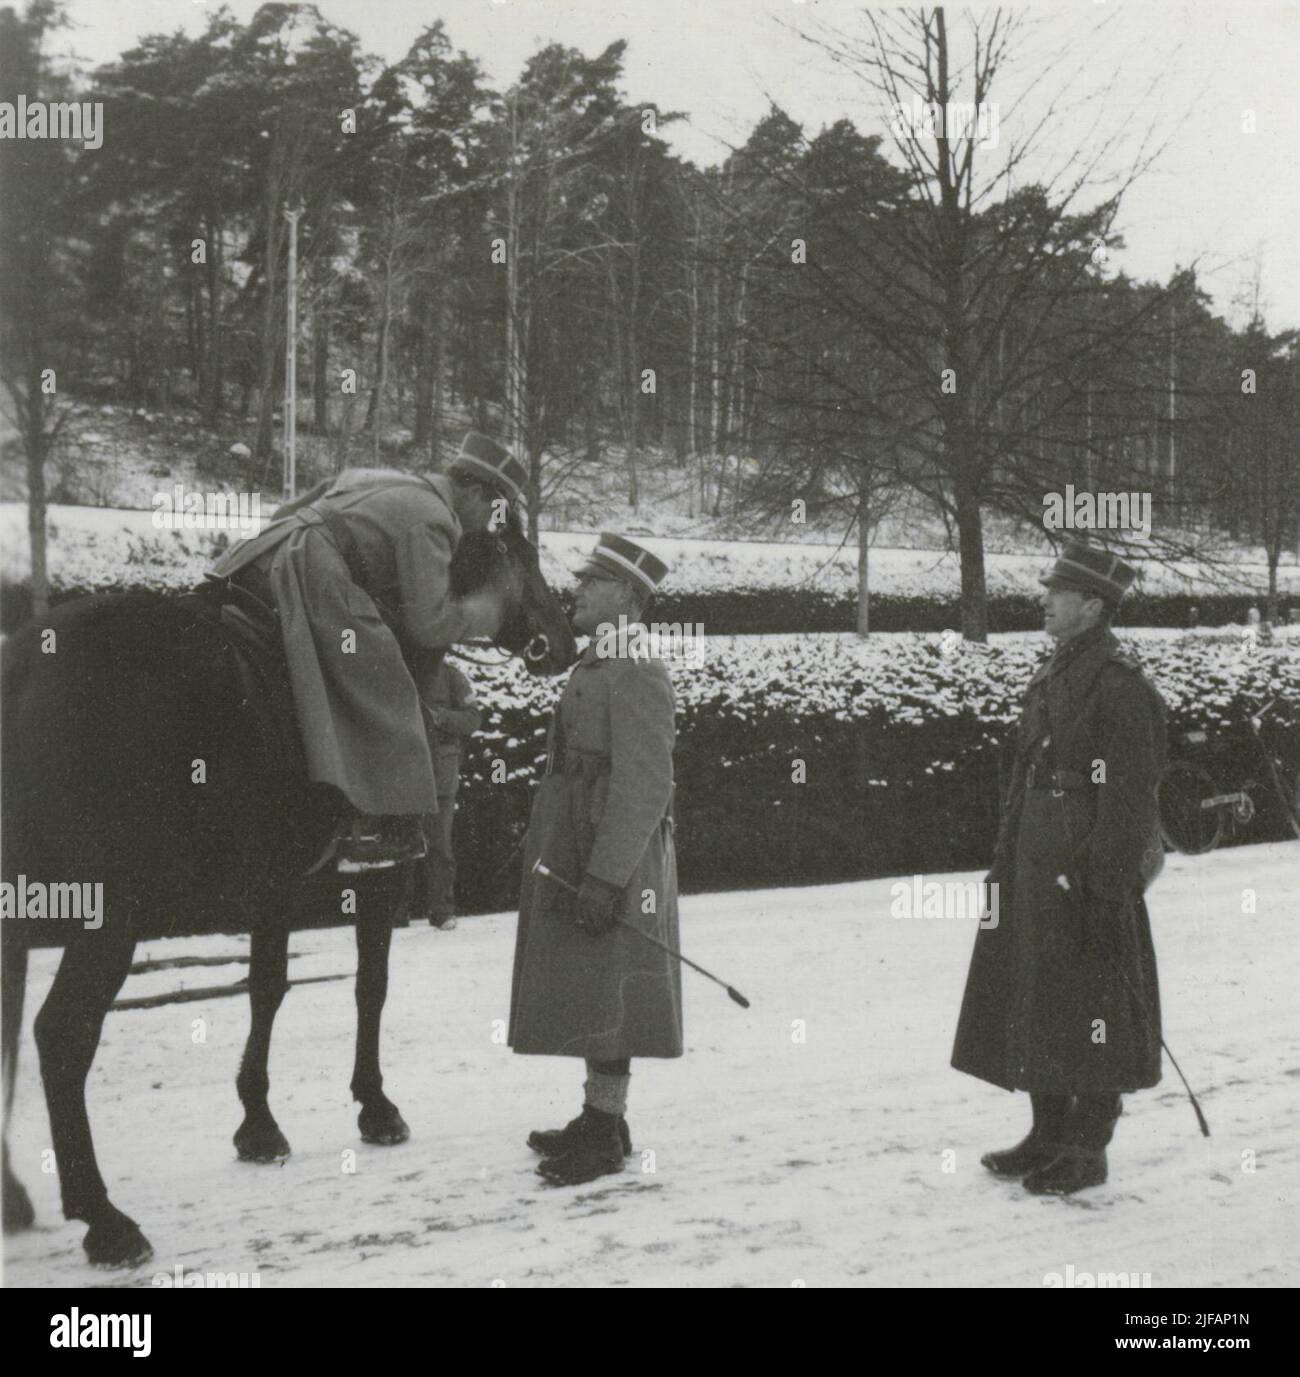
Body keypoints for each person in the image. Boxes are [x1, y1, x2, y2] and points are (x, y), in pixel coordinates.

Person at [952, 541, 1168, 1195]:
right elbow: (1024, 778)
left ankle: (1087, 1145)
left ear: (1093, 605)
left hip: (1086, 870)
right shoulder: (1055, 672)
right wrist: (1003, 864)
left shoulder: (1122, 685)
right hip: (1034, 862)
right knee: (1036, 992)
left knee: (1094, 999)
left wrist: (1103, 884)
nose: (1044, 600)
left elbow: (1129, 799)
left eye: (1058, 593)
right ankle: (1047, 1132)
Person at [211, 431, 524, 873]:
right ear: (473, 491)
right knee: (389, 685)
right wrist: (486, 610)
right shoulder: (434, 518)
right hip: (312, 573)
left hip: (255, 556)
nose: (490, 523)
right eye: (495, 510)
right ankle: (379, 827)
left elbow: (290, 509)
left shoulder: (376, 476)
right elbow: (429, 623)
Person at [509, 534, 682, 1187]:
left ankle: (605, 1133)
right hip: (577, 849)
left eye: (591, 581)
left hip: (617, 861)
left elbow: (644, 785)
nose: (574, 588)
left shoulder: (636, 671)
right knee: (590, 980)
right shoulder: (597, 664)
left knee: (610, 984)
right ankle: (598, 1115)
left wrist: (608, 877)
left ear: (627, 598)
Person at [410, 656, 481, 928]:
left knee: (439, 843)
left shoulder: (452, 676)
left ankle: (441, 910)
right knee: (399, 839)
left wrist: (441, 717)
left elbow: (473, 718)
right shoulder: (402, 668)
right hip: (405, 770)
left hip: (441, 771)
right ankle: (396, 912)